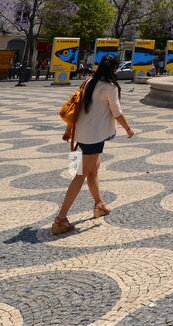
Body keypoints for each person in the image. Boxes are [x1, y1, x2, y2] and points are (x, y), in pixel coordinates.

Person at [51, 56, 135, 235]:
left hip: (81, 134)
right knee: (80, 175)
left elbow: (76, 106)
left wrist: (69, 129)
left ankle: (99, 204)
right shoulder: (109, 88)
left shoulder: (88, 81)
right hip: (94, 137)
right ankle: (61, 218)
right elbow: (117, 112)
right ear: (113, 69)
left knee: (93, 170)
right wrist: (128, 129)